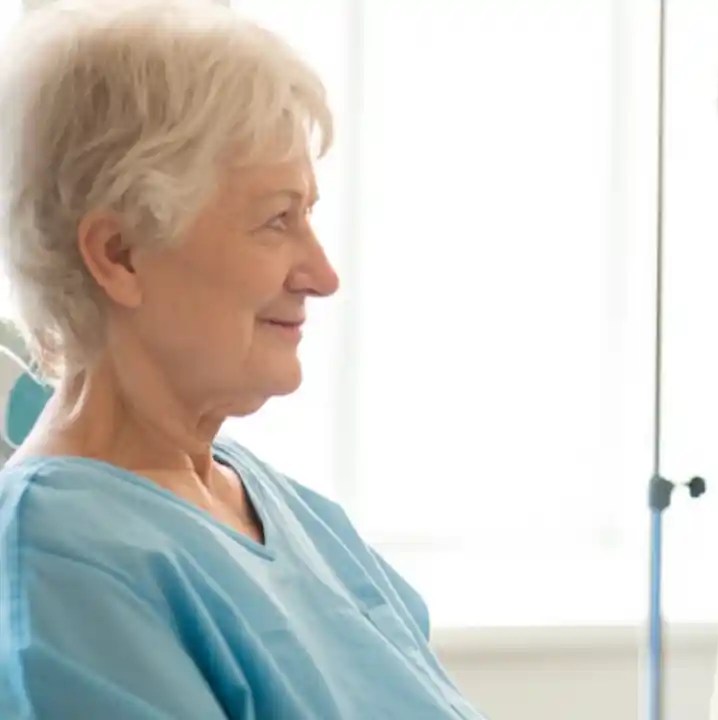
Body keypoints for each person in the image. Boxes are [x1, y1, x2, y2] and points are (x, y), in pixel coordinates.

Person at [0, 2, 484, 718]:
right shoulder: (62, 559)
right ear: (119, 254)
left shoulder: (281, 507)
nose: (323, 275)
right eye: (276, 220)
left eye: (308, 214)